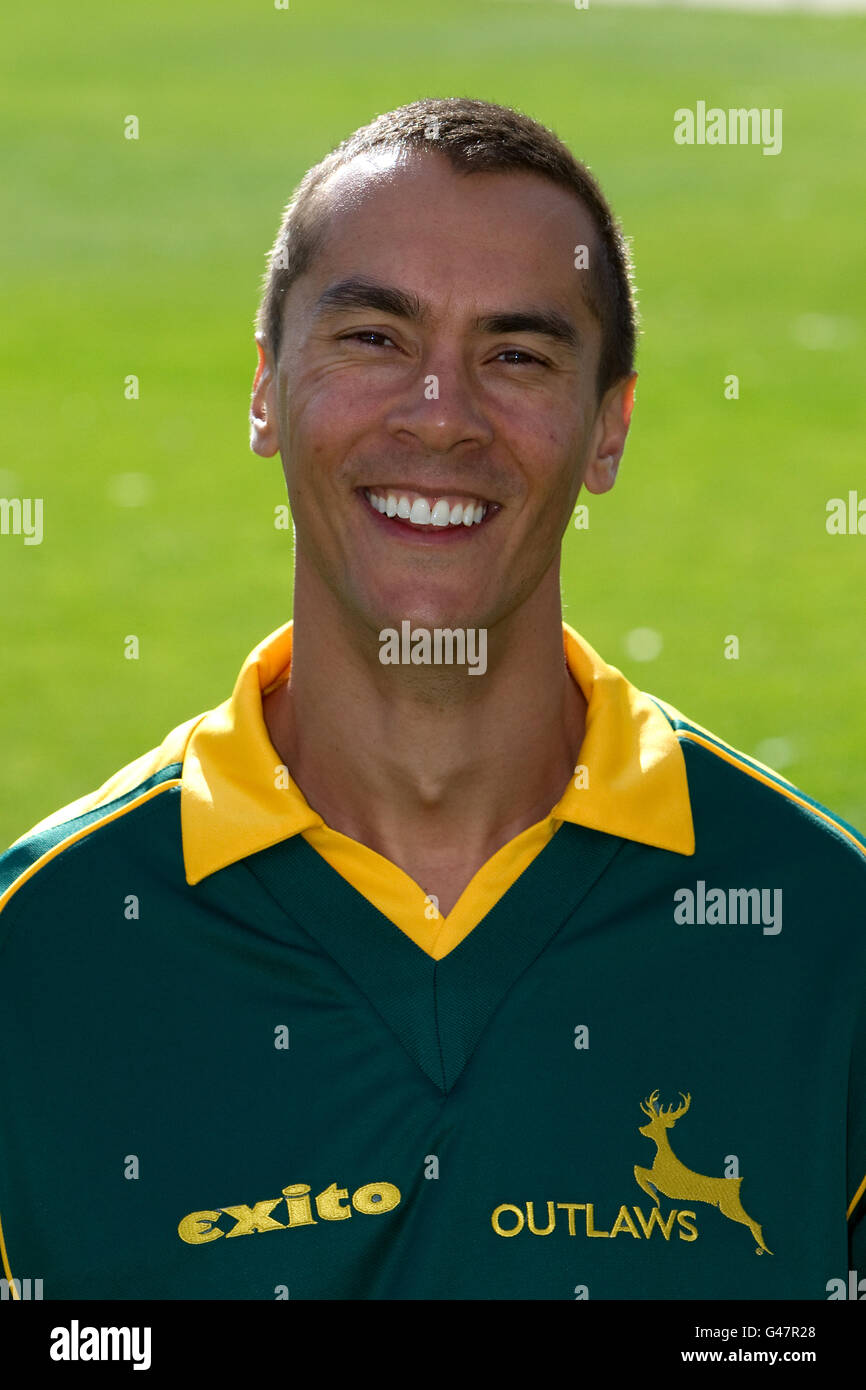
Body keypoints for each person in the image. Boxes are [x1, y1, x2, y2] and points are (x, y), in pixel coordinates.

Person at [0, 97, 863, 1302]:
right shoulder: (38, 954)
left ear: (606, 431)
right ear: (263, 390)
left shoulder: (825, 936)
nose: (439, 415)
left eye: (514, 356)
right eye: (372, 340)